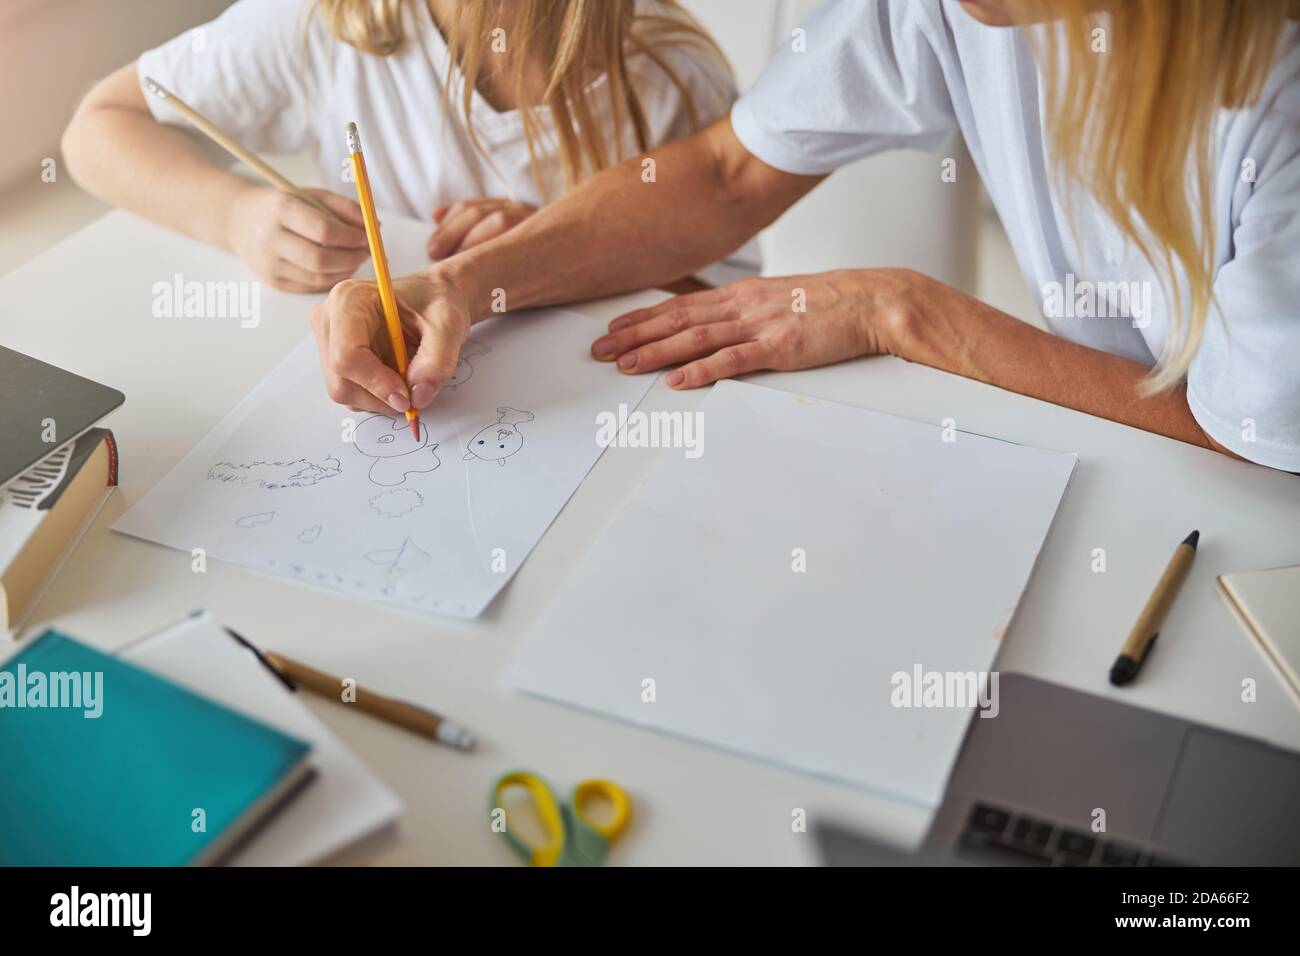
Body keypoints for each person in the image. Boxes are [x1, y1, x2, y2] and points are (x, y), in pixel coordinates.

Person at [311, 0, 1300, 471]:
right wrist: (460, 285)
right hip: (1105, 463)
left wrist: (902, 312)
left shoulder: (1278, 106)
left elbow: (1251, 442)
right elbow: (725, 174)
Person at [62, 0, 752, 296]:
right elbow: (97, 127)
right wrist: (236, 216)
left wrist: (554, 257)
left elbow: (716, 303)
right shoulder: (329, 20)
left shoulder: (670, 78)